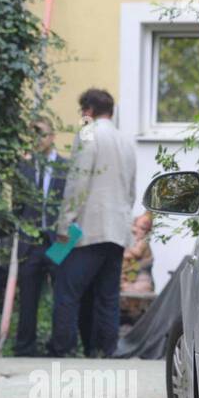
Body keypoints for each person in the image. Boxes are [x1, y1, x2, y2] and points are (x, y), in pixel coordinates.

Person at [50, 88, 136, 358]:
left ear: (87, 110)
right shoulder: (126, 140)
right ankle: (106, 349)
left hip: (89, 228)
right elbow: (131, 190)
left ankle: (62, 348)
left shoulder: (88, 134)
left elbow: (77, 184)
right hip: (118, 230)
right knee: (108, 296)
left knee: (67, 290)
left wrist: (65, 225)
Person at [10, 120, 65, 356]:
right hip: (30, 242)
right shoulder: (23, 168)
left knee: (63, 296)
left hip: (58, 240)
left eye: (41, 134)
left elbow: (73, 204)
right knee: (28, 296)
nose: (37, 139)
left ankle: (60, 347)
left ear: (52, 136)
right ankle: (25, 347)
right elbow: (17, 206)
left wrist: (68, 240)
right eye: (32, 135)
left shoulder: (66, 167)